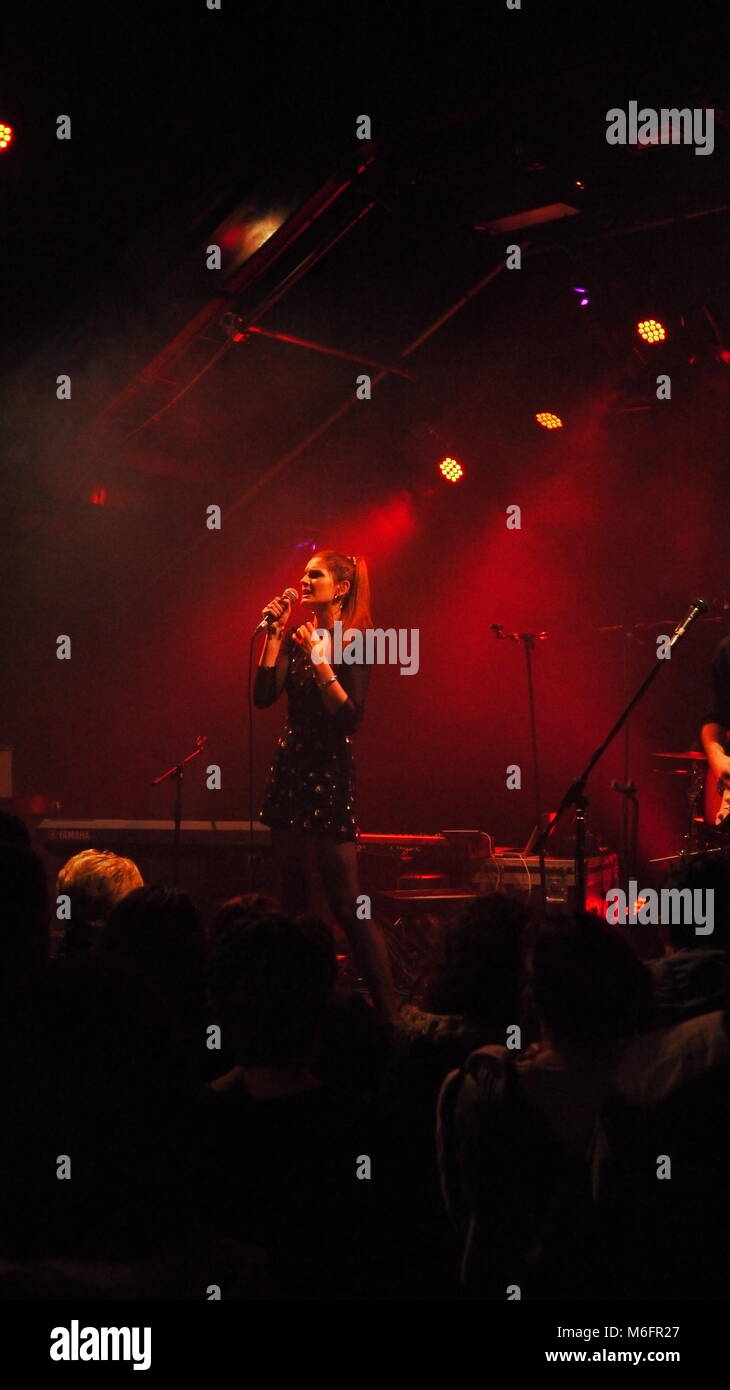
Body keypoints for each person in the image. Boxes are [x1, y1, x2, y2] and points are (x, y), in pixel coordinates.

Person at [254, 550, 396, 1024]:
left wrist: (321, 662)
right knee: (291, 893)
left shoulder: (357, 638)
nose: (304, 578)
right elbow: (263, 697)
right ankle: (298, 1008)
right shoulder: (297, 637)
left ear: (340, 587)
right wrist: (274, 638)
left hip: (327, 769)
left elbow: (351, 717)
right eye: (304, 571)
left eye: (315, 573)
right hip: (291, 767)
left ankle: (391, 1015)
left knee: (346, 900)